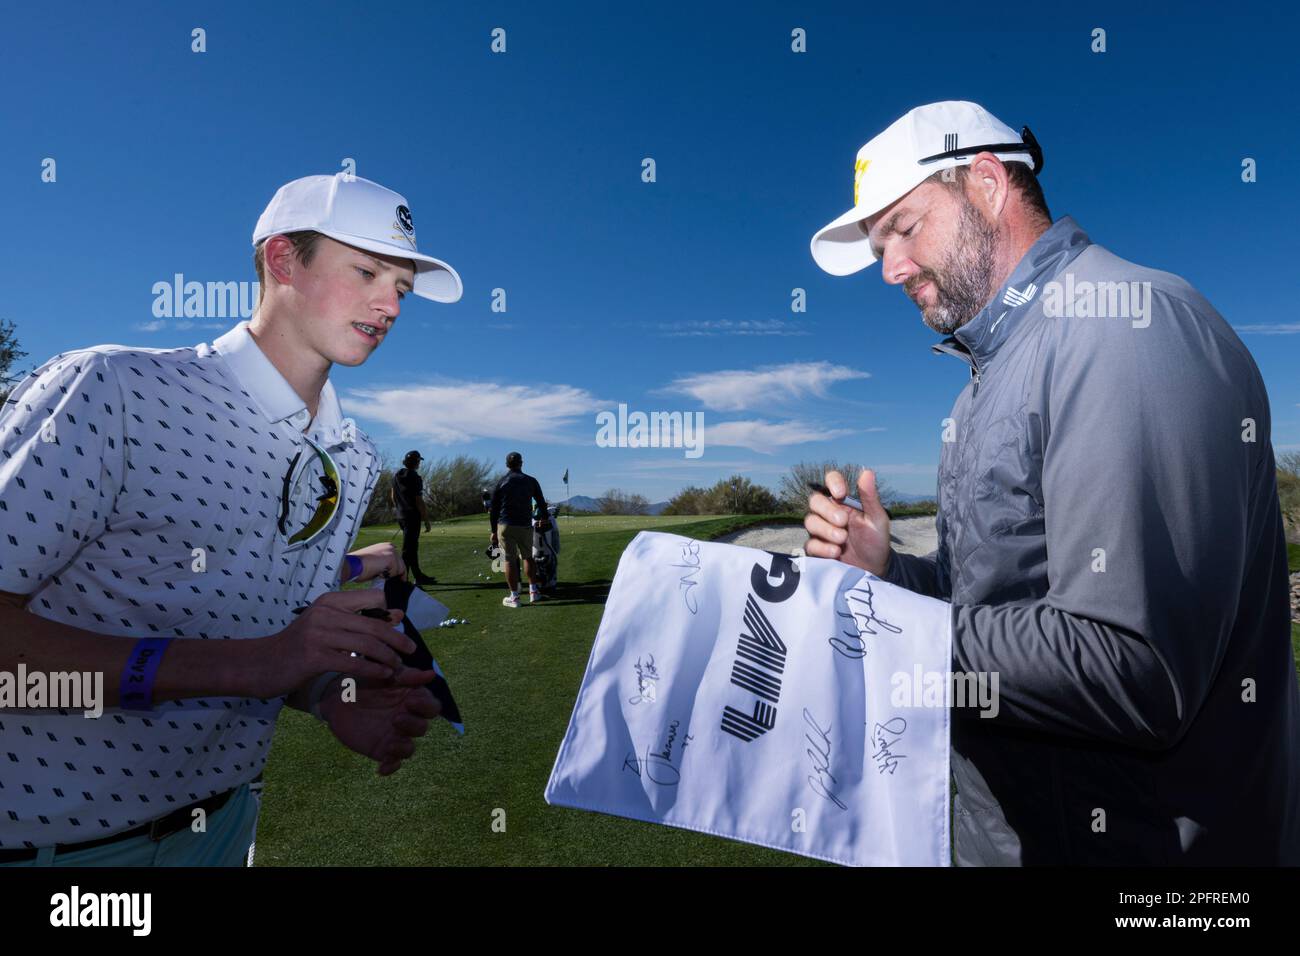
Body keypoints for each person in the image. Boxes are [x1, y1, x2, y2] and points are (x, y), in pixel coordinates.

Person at [804, 101, 1299, 865]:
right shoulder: (985, 383)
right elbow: (1004, 602)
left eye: (904, 229)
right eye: (878, 250)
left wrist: (886, 634)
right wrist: (889, 573)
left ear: (989, 183)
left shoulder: (1124, 328)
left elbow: (1131, 667)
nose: (892, 269)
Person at [0, 171, 463, 866]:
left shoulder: (350, 454)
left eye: (400, 287)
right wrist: (262, 663)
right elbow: (252, 657)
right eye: (366, 270)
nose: (388, 304)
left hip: (224, 829)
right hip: (66, 852)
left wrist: (328, 695)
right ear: (283, 260)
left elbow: (264, 630)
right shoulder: (113, 391)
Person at [489, 451, 549, 608]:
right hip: (524, 524)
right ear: (521, 463)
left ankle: (514, 597)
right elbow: (542, 503)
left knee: (509, 559)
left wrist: (493, 531)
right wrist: (544, 518)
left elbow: (494, 509)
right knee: (528, 557)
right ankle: (533, 592)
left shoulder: (501, 482)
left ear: (507, 464)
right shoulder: (531, 481)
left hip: (505, 525)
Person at [391, 449, 437, 586]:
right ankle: (402, 580)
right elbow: (419, 501)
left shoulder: (396, 476)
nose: (419, 464)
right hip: (412, 517)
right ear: (416, 462)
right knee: (408, 549)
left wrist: (400, 509)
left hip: (401, 516)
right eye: (418, 461)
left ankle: (418, 575)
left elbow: (393, 496)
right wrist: (426, 520)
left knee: (411, 547)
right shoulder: (415, 477)